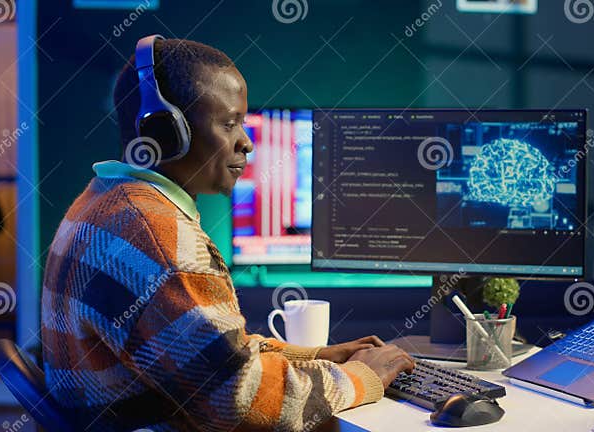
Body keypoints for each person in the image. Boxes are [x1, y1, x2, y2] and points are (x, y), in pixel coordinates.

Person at [41, 37, 414, 431]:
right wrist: (363, 377)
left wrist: (321, 355)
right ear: (166, 132)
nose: (247, 142)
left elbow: (213, 357)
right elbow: (239, 400)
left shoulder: (103, 202)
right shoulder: (157, 238)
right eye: (228, 123)